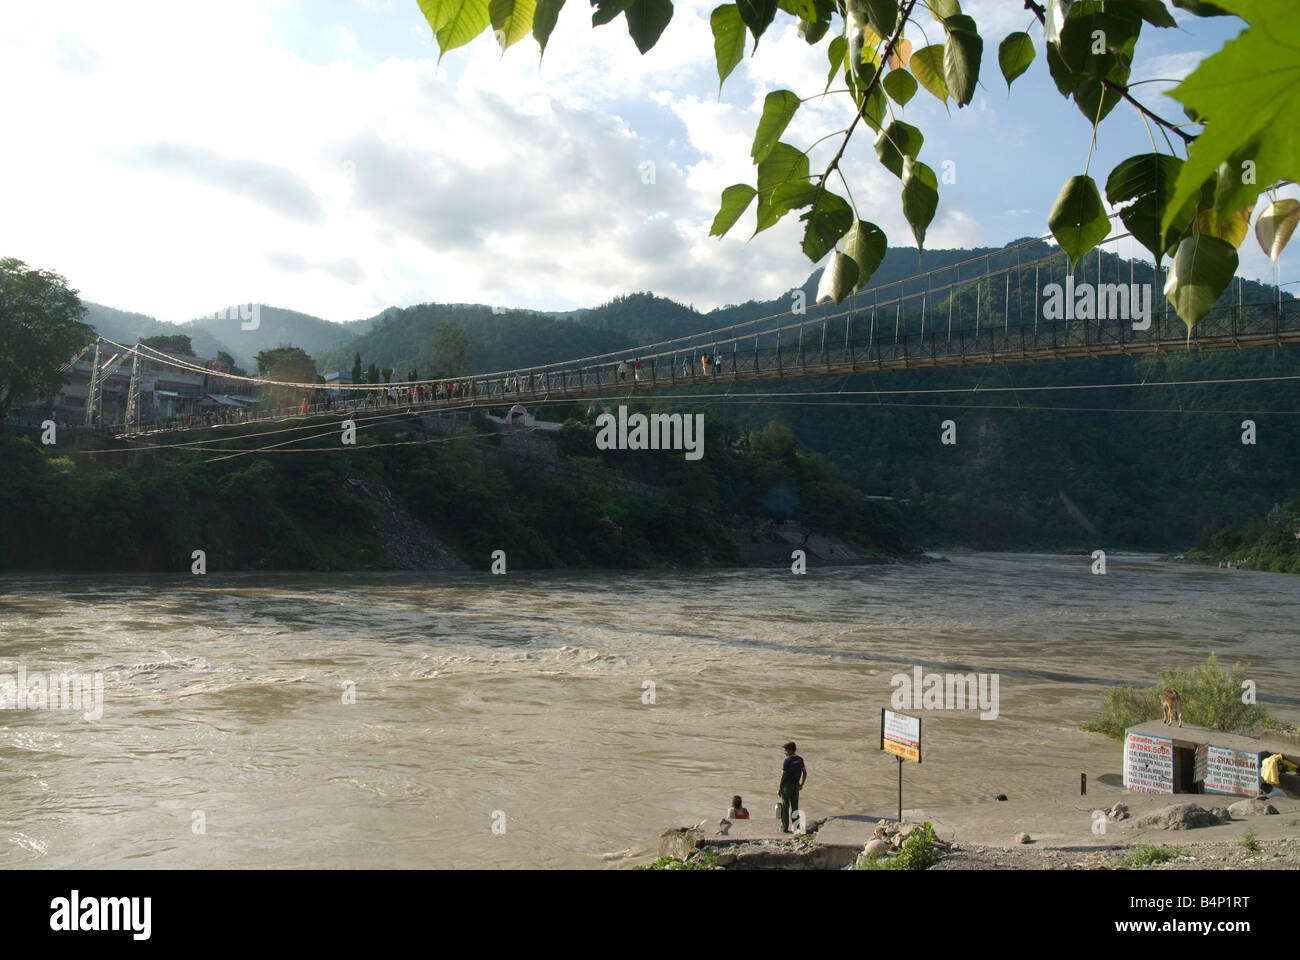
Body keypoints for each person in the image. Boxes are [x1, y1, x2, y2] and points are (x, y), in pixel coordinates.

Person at [777, 741, 806, 834]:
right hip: (796, 785)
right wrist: (801, 784)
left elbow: (783, 775)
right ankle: (796, 827)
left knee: (785, 806)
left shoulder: (787, 760)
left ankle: (784, 827)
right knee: (795, 806)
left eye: (785, 750)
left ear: (790, 751)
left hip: (787, 786)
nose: (784, 752)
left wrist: (780, 787)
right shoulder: (800, 759)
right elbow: (805, 773)